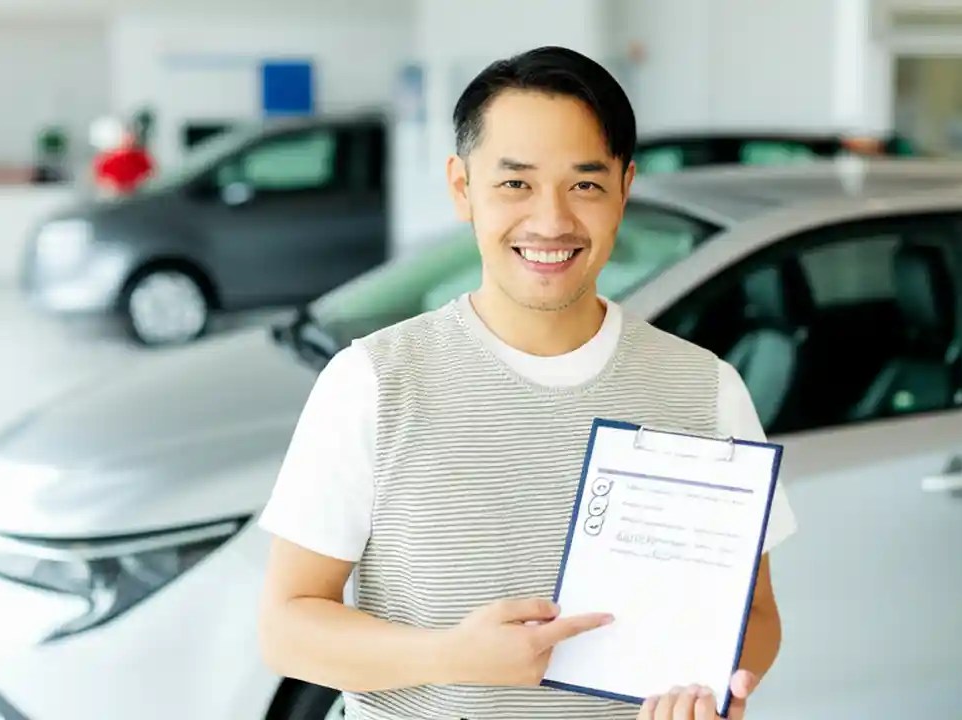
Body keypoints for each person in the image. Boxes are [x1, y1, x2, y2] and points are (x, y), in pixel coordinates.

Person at [257, 45, 797, 720]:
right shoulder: (373, 381)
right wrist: (449, 656)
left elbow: (756, 614)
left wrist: (711, 690)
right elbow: (286, 626)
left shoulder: (706, 389)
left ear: (625, 189)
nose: (551, 221)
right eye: (516, 184)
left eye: (585, 185)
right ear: (462, 188)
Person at [90, 116, 154, 197]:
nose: (129, 138)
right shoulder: (106, 162)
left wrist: (138, 183)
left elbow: (149, 174)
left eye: (129, 135)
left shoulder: (139, 157)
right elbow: (101, 180)